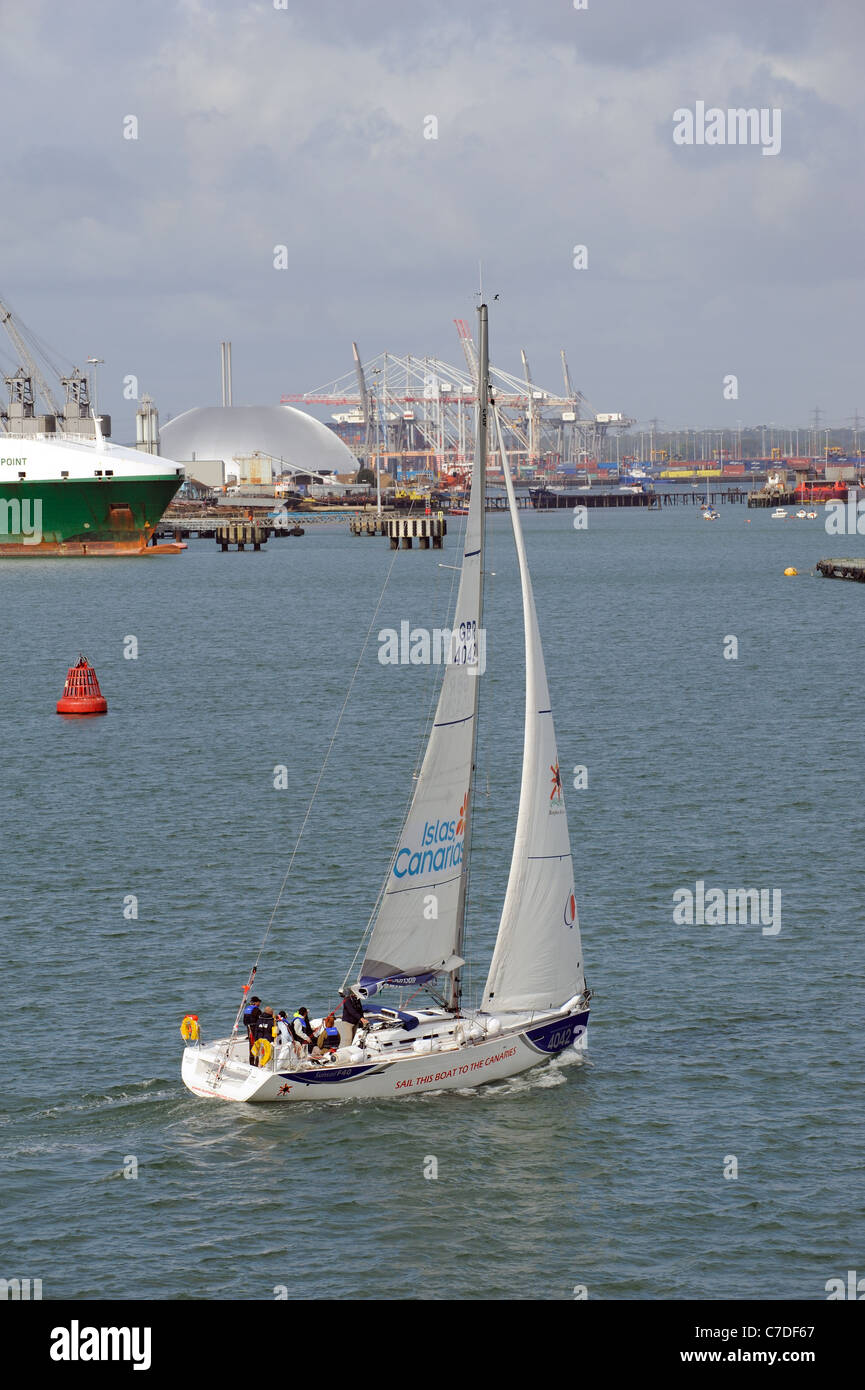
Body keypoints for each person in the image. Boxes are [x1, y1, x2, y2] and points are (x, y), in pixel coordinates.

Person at [243, 995, 262, 1063]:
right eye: (258, 1002)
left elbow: (244, 1021)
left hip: (249, 1028)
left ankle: (251, 1061)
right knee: (256, 1044)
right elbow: (260, 1020)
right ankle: (256, 1061)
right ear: (255, 1002)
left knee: (251, 1044)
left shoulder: (247, 1009)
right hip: (255, 1029)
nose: (259, 1004)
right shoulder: (256, 1010)